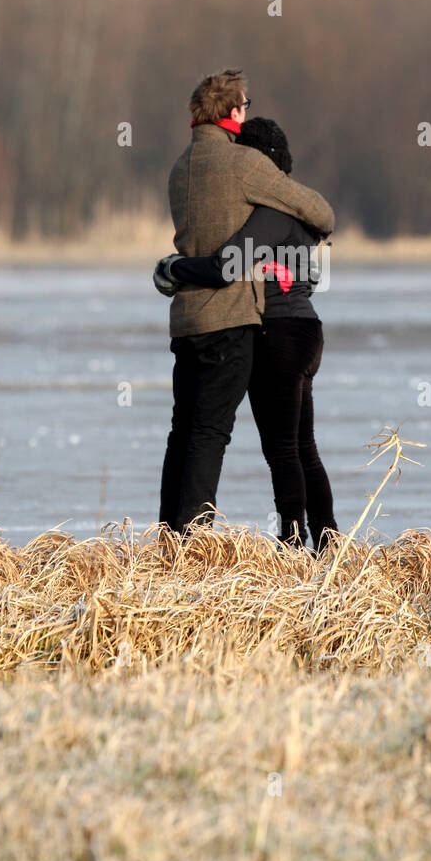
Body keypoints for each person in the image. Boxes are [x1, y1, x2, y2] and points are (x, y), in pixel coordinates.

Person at [157, 71, 334, 535]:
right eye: (246, 104)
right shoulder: (244, 165)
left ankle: (169, 536)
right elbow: (321, 213)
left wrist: (173, 269)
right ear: (234, 112)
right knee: (213, 433)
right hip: (232, 317)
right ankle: (194, 539)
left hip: (186, 320)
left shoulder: (178, 168)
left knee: (183, 430)